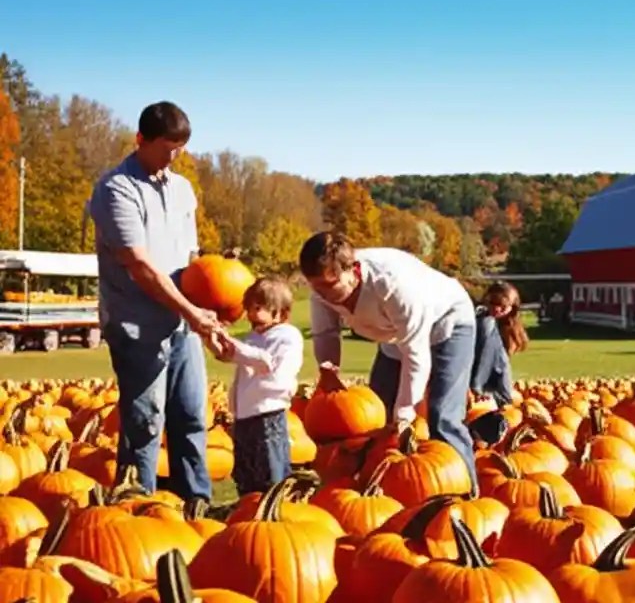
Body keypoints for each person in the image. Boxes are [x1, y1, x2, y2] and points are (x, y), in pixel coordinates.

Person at [88, 101, 220, 502]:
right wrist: (192, 311)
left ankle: (196, 503)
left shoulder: (181, 189)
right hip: (137, 326)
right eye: (167, 147)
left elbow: (192, 258)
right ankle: (136, 505)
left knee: (192, 415)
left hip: (182, 323)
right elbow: (141, 267)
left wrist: (210, 300)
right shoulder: (116, 189)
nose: (174, 157)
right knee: (145, 422)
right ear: (141, 139)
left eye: (180, 148)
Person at [299, 231, 480, 493]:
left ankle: (467, 492)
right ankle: (379, 492)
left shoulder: (393, 285)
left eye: (331, 285)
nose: (324, 294)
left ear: (355, 271)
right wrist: (328, 370)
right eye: (317, 287)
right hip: (394, 335)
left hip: (448, 323)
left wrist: (405, 414)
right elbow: (327, 333)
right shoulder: (322, 291)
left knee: (442, 415)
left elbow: (415, 355)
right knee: (375, 416)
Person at [207, 276, 303, 496]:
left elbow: (264, 361)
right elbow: (231, 355)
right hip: (245, 416)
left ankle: (275, 508)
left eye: (258, 308)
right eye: (249, 308)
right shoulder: (254, 337)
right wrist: (213, 339)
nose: (252, 314)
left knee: (271, 470)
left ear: (281, 313)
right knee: (246, 470)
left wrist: (232, 344)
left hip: (268, 415)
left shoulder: (286, 337)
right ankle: (247, 505)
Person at [468, 281, 527, 445]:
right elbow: (484, 359)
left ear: (512, 307)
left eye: (502, 305)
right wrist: (476, 386)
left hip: (496, 391)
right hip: (486, 392)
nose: (496, 309)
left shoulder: (508, 327)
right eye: (492, 303)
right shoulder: (484, 322)